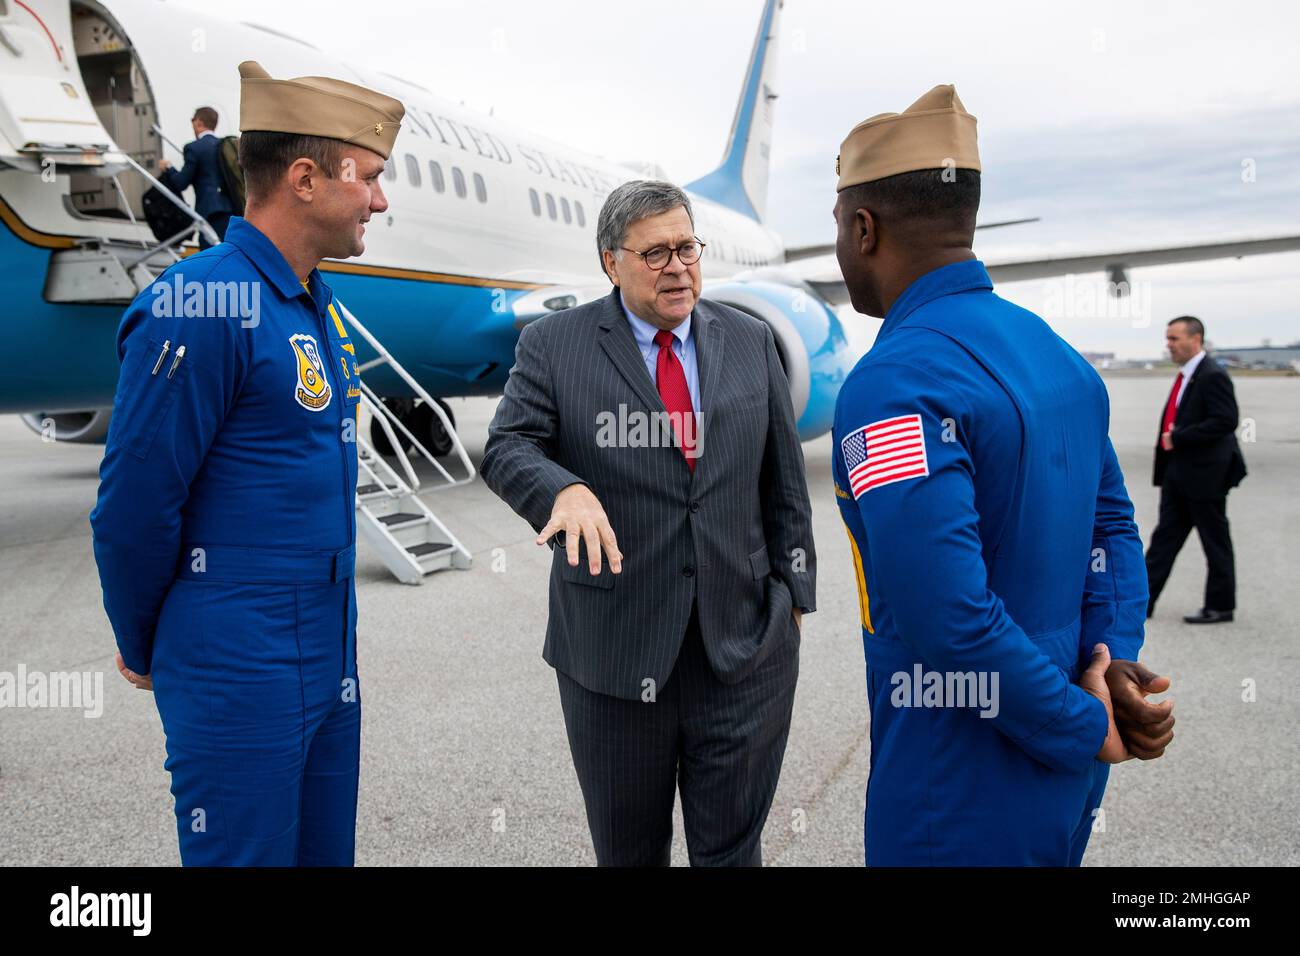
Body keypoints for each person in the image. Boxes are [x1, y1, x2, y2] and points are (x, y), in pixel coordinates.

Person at [829, 85, 1175, 865]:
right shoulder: (1056, 354)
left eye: (839, 231)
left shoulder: (893, 384)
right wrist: (1111, 665)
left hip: (953, 781)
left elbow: (944, 614)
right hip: (1063, 764)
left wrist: (1084, 724)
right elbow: (1113, 530)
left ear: (863, 227)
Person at [89, 61, 403, 865]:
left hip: (330, 646)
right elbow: (133, 505)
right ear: (304, 178)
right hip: (237, 657)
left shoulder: (308, 297)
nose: (380, 198)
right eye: (367, 177)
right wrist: (146, 642)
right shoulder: (202, 301)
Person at [480, 180, 816, 866]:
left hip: (741, 651)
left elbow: (783, 482)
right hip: (614, 654)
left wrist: (792, 601)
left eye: (687, 248)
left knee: (732, 853)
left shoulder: (750, 342)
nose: (679, 266)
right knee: (629, 853)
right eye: (656, 253)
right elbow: (508, 446)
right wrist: (561, 491)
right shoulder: (556, 345)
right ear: (612, 262)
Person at [1144, 316, 1246, 624]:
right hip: (1179, 475)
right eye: (1168, 338)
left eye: (1174, 339)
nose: (1169, 345)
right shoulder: (1188, 375)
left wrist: (1178, 436)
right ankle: (1140, 605)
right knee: (1164, 540)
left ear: (1196, 339)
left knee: (1215, 541)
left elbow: (1225, 420)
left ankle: (1220, 606)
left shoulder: (1212, 374)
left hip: (1205, 477)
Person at [158, 106, 235, 248]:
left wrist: (169, 168)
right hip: (229, 209)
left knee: (208, 252)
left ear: (199, 122)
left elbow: (181, 182)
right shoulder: (224, 146)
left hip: (208, 210)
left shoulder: (194, 148)